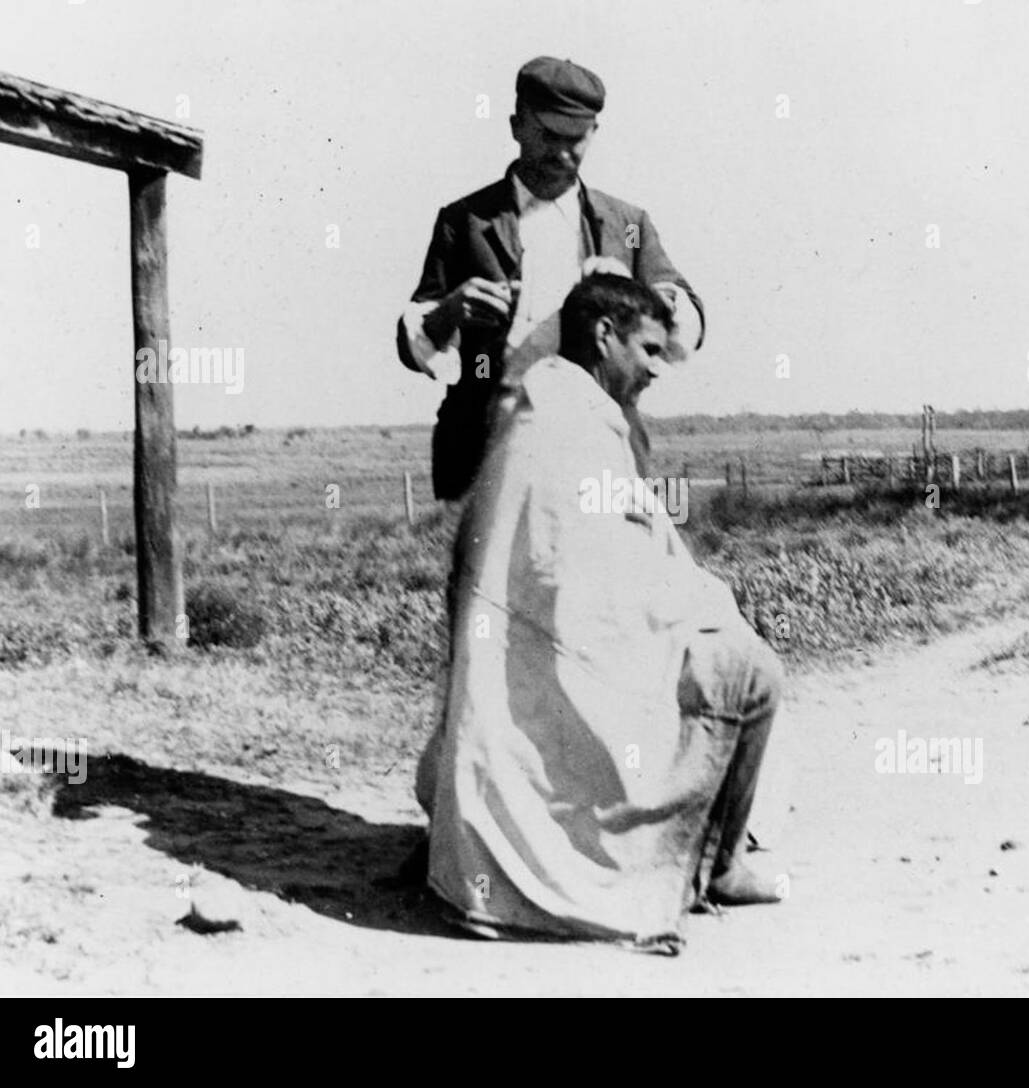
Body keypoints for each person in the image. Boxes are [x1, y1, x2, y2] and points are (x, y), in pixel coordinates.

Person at [416, 275, 783, 952]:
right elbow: (582, 580)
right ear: (604, 336)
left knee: (725, 642)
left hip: (564, 650)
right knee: (751, 670)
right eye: (647, 349)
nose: (654, 367)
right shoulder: (561, 422)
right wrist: (693, 603)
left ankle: (709, 858)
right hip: (570, 658)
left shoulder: (563, 409)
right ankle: (715, 867)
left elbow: (610, 556)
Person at [396, 55, 704, 500]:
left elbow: (687, 325)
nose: (561, 153)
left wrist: (641, 296)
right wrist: (449, 312)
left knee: (612, 563)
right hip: (488, 442)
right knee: (492, 566)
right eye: (547, 135)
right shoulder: (463, 221)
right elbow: (414, 346)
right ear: (516, 125)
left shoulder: (628, 223)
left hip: (604, 442)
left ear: (594, 133)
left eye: (575, 139)